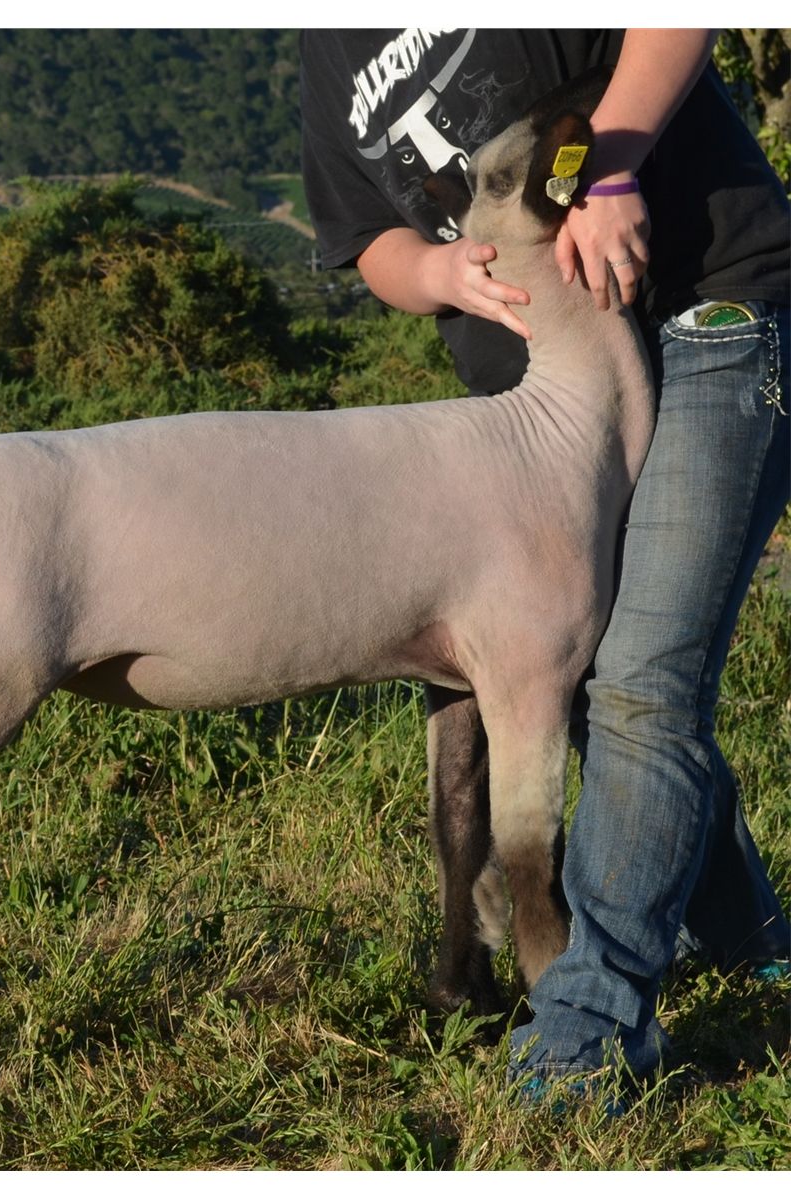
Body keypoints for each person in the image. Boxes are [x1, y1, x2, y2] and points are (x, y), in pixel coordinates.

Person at [299, 28, 790, 1088]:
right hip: (535, 409)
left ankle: (587, 1029)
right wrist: (433, 269)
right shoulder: (326, 47)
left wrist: (608, 163)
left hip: (703, 312)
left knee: (643, 687)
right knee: (573, 687)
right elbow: (366, 235)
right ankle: (752, 946)